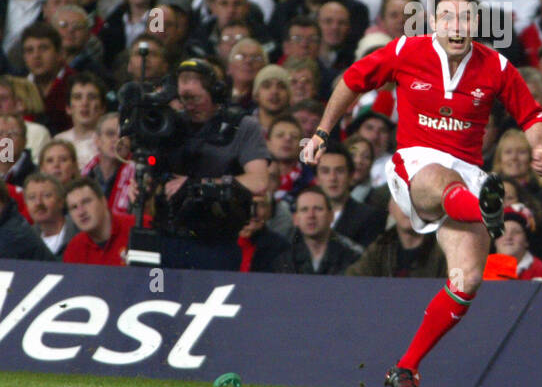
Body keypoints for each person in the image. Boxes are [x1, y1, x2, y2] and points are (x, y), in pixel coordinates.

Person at [300, 0, 542, 387]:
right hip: (415, 164)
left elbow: (534, 114)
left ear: (477, 25)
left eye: (466, 18)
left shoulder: (496, 66)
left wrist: (538, 146)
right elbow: (351, 80)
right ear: (434, 22)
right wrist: (323, 132)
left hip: (469, 174)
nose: (456, 26)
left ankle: (406, 368)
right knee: (440, 180)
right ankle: (494, 211)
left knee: (467, 278)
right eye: (448, 17)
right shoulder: (404, 51)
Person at [151, 58, 270, 271]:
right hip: (165, 237)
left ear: (216, 91)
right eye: (184, 95)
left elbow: (259, 181)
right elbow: (148, 168)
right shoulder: (167, 125)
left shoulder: (241, 126)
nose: (190, 103)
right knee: (158, 300)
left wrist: (198, 185)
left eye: (195, 95)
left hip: (215, 242)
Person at [289, 184, 364, 275]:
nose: (311, 216)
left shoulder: (353, 256)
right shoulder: (286, 257)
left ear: (331, 216)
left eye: (318, 209)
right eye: (304, 210)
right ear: (295, 219)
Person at [63, 177, 134, 266]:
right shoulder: (74, 250)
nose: (81, 212)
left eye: (86, 202)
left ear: (104, 201)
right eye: (74, 207)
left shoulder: (137, 225)